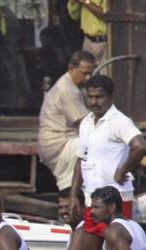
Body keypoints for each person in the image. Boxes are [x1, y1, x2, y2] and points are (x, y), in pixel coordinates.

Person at [71, 75, 146, 237]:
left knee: (117, 247)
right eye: (90, 97)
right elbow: (80, 160)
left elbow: (140, 146)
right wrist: (73, 196)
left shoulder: (119, 121)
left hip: (117, 199)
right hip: (91, 197)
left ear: (111, 97)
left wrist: (122, 170)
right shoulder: (86, 122)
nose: (94, 102)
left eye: (99, 97)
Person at [38, 50, 96, 194]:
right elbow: (85, 123)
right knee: (95, 146)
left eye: (90, 73)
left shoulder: (76, 87)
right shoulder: (66, 89)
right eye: (84, 73)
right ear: (71, 69)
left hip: (68, 139)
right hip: (58, 144)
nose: (87, 78)